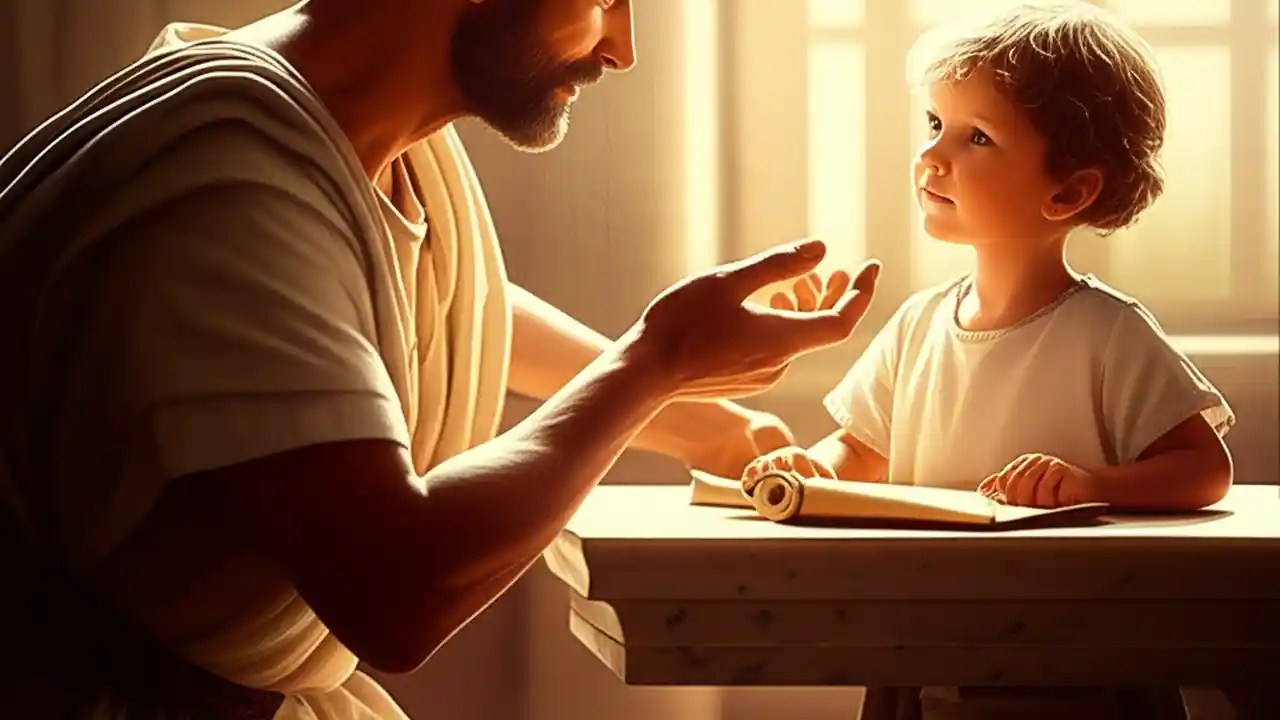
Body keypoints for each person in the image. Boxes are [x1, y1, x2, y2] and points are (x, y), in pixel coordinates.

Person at [0, 0, 881, 717]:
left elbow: (415, 298)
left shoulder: (346, 128)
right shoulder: (229, 183)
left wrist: (696, 419)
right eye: (604, 0)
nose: (623, 48)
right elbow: (395, 587)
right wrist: (656, 362)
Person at [741, 4, 1234, 718]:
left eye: (977, 137)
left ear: (1068, 191)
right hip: (926, 646)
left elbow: (1205, 469)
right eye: (935, 126)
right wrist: (810, 470)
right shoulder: (916, 325)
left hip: (1079, 662)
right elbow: (860, 447)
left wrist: (1093, 483)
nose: (933, 157)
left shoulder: (1109, 334)